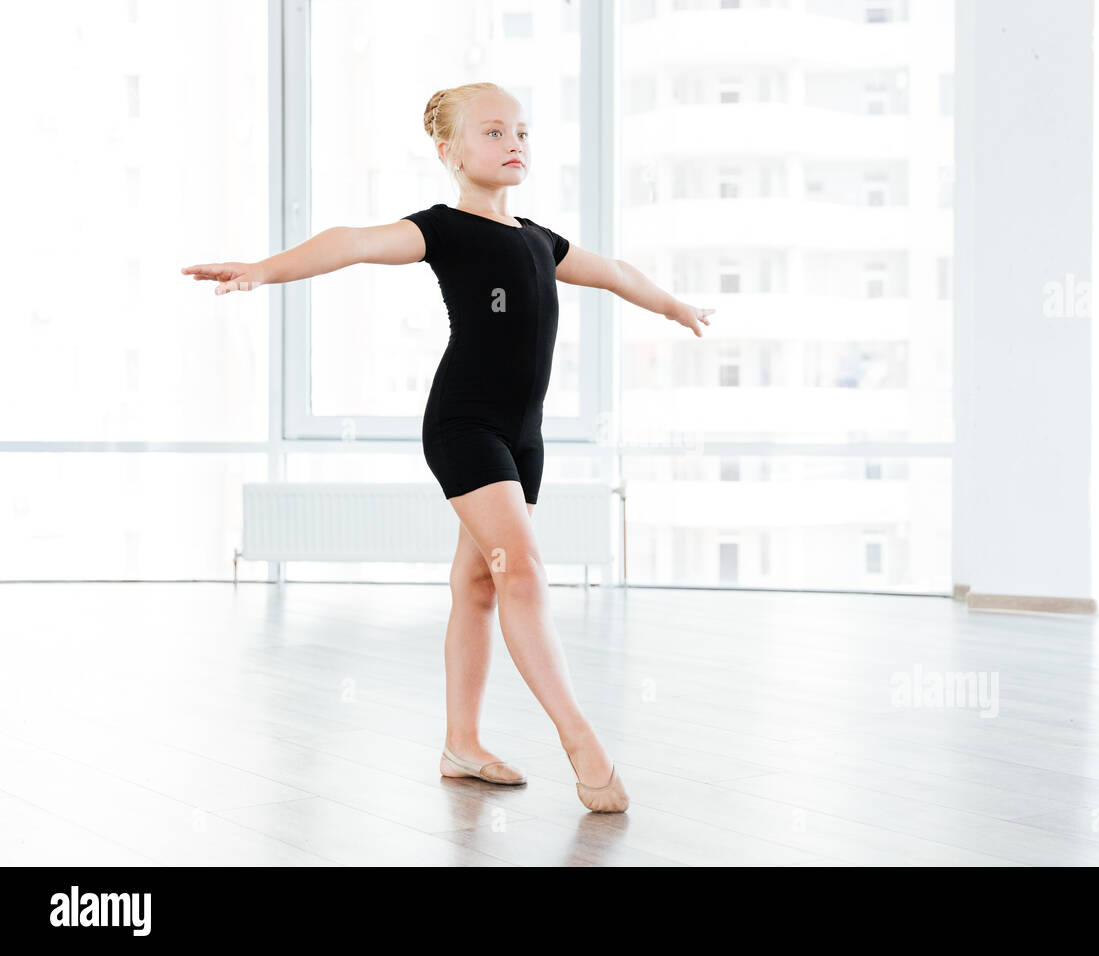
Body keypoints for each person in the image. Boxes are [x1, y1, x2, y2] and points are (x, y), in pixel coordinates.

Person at [182, 81, 714, 813]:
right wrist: (261, 270)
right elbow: (351, 243)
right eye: (493, 132)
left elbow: (617, 274)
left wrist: (673, 304)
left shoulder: (539, 240)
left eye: (521, 130)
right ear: (449, 151)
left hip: (524, 439)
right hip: (464, 427)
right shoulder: (445, 228)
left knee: (477, 585)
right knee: (521, 571)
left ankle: (461, 744)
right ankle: (580, 741)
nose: (515, 142)